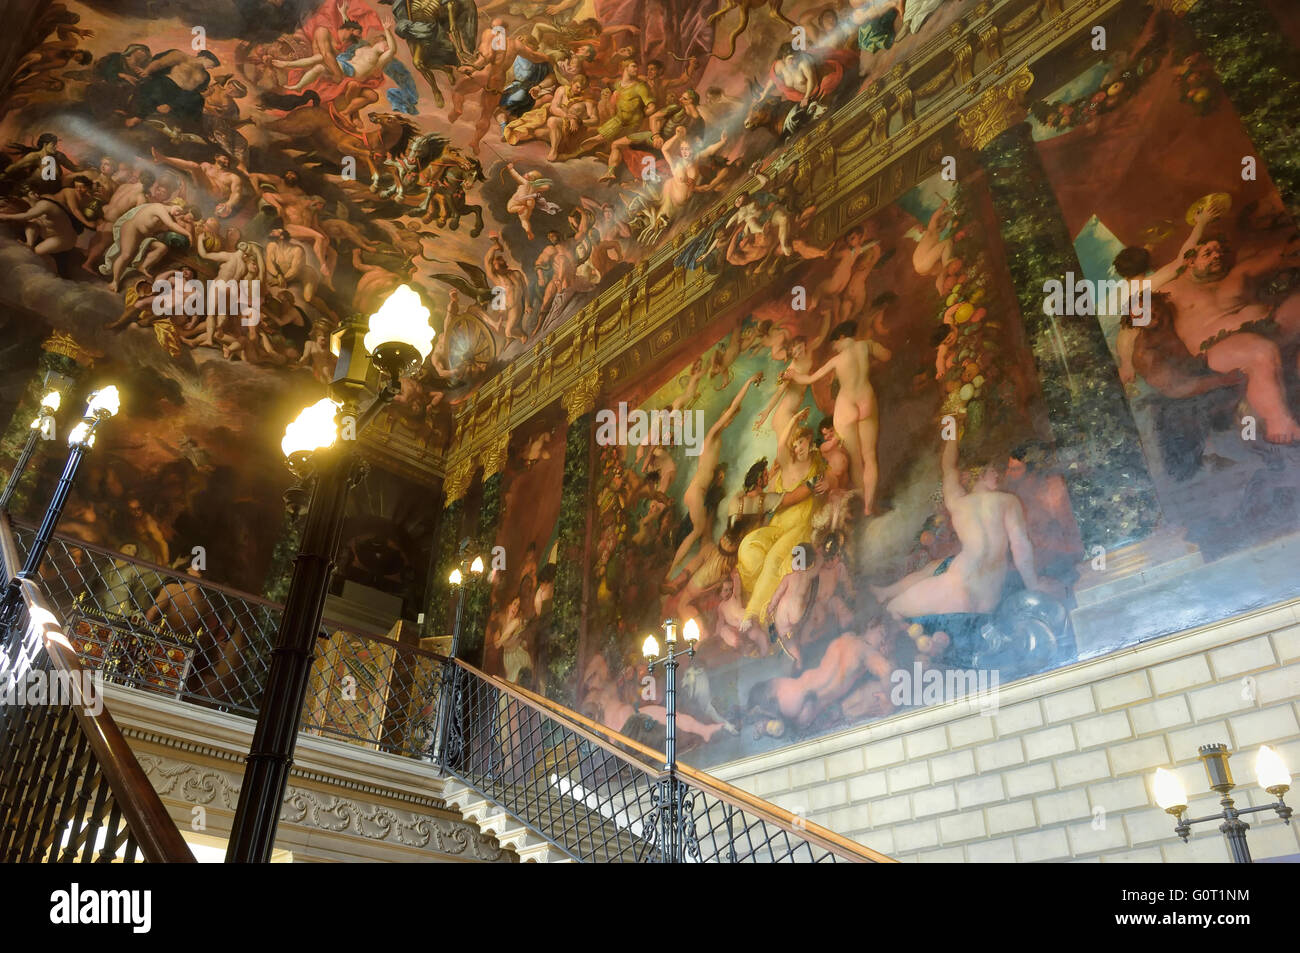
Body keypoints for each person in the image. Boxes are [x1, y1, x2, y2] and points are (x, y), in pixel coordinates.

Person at [874, 431, 1041, 620]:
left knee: (893, 610)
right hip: (986, 597)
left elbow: (948, 467)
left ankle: (889, 597)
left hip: (957, 587)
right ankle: (888, 595)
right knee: (925, 578)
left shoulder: (958, 503)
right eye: (992, 470)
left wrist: (952, 432)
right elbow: (1021, 549)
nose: (998, 474)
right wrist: (1034, 587)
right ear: (979, 474)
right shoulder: (1008, 501)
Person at [780, 321, 891, 514]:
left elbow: (809, 379)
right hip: (866, 400)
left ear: (840, 338)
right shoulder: (866, 345)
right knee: (870, 457)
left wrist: (793, 375)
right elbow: (887, 355)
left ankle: (865, 504)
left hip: (847, 405)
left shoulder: (837, 360)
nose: (835, 348)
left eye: (835, 345)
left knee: (855, 461)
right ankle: (868, 506)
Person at [737, 408, 825, 629]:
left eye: (801, 443)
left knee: (775, 558)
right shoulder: (786, 465)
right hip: (778, 524)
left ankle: (754, 614)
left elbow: (813, 489)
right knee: (749, 544)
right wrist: (794, 419)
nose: (797, 448)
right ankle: (757, 597)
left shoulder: (817, 466)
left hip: (799, 524)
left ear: (809, 440)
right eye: (794, 445)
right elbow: (781, 444)